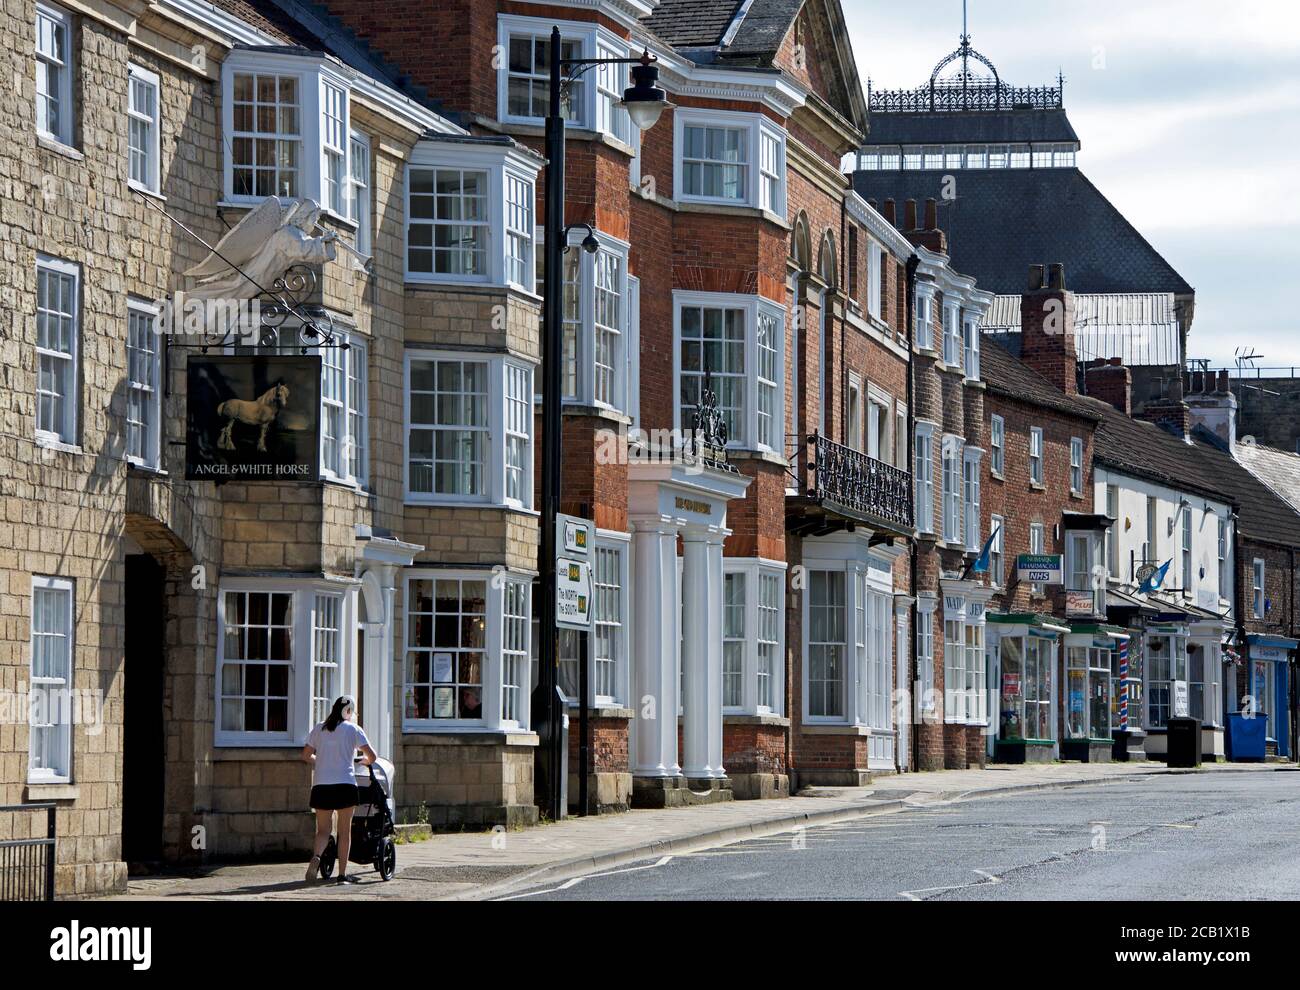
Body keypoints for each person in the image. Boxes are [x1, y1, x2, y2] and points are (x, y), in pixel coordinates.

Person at [301, 695, 378, 884]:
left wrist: (321, 762)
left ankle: (317, 857)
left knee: (323, 831)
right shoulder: (353, 729)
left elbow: (305, 755)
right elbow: (372, 756)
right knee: (344, 832)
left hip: (321, 786)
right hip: (345, 785)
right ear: (349, 711)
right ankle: (342, 875)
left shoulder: (319, 728)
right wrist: (364, 761)